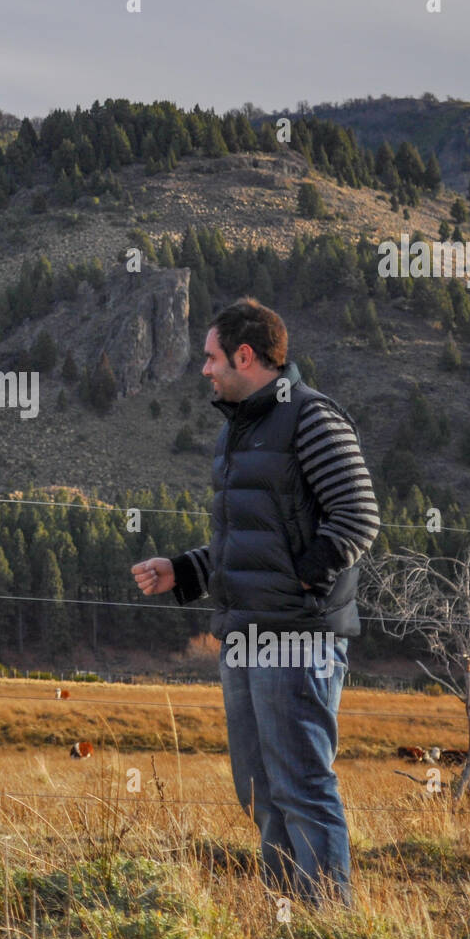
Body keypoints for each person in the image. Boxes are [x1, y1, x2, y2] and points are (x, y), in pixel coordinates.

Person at [132, 297, 379, 907]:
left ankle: (329, 928)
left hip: (297, 638)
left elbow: (357, 518)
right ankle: (286, 918)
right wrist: (183, 571)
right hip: (244, 638)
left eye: (212, 357)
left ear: (246, 355)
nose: (205, 370)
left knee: (301, 788)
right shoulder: (236, 432)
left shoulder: (312, 419)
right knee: (260, 792)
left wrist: (299, 587)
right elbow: (243, 544)